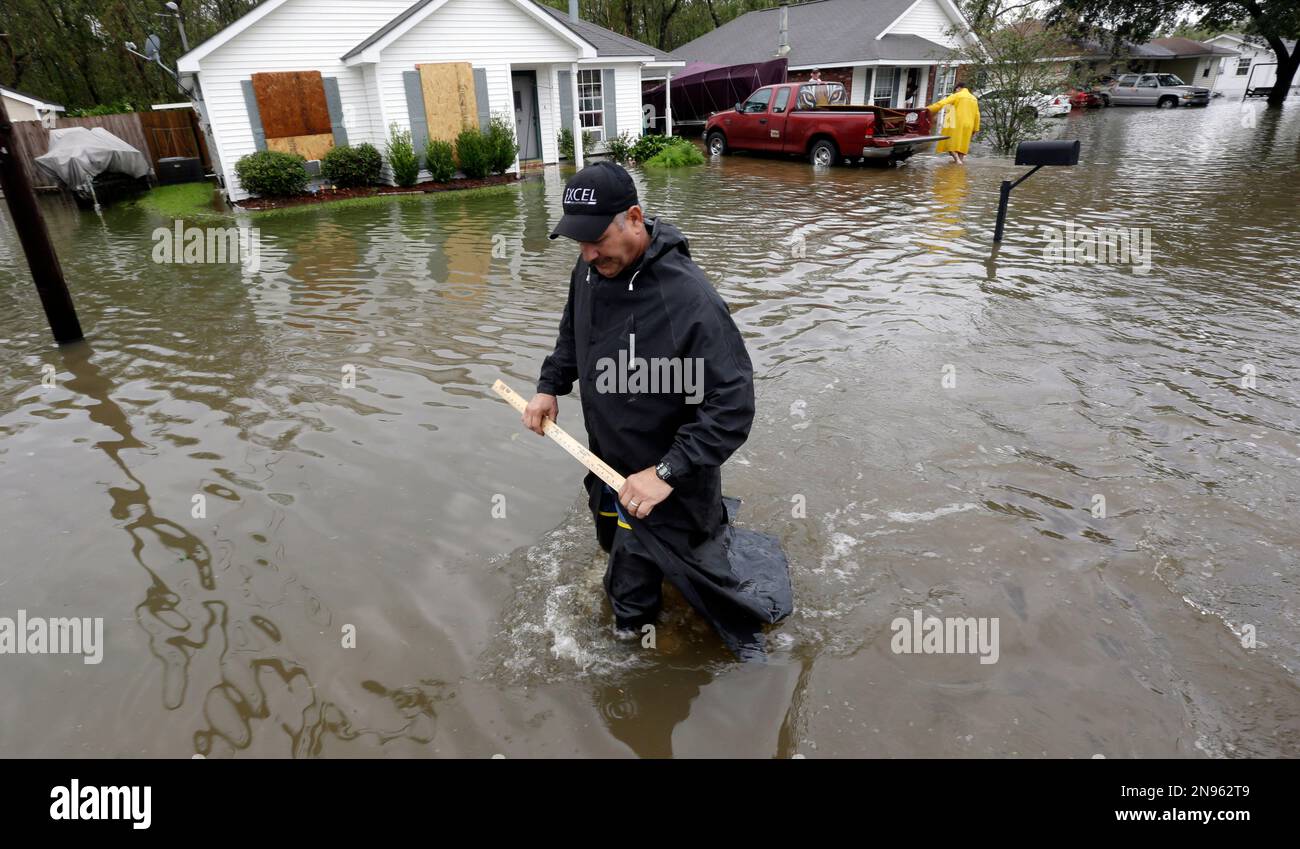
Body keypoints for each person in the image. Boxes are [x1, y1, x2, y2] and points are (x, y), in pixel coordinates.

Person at [523, 162, 785, 653]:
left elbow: (732, 404)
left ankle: (643, 686)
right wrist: (549, 385)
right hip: (606, 463)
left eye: (596, 238)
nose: (587, 252)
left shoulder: (691, 299)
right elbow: (572, 333)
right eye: (578, 241)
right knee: (610, 546)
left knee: (630, 609)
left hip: (666, 485)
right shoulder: (592, 268)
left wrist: (665, 471)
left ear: (635, 218)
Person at [927, 82, 980, 164]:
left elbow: (941, 103)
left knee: (950, 144)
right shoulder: (974, 98)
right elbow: (977, 114)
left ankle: (957, 160)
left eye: (955, 90)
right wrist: (976, 128)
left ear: (958, 88)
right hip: (969, 125)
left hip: (956, 123)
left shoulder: (957, 95)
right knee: (962, 146)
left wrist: (928, 109)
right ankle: (959, 165)